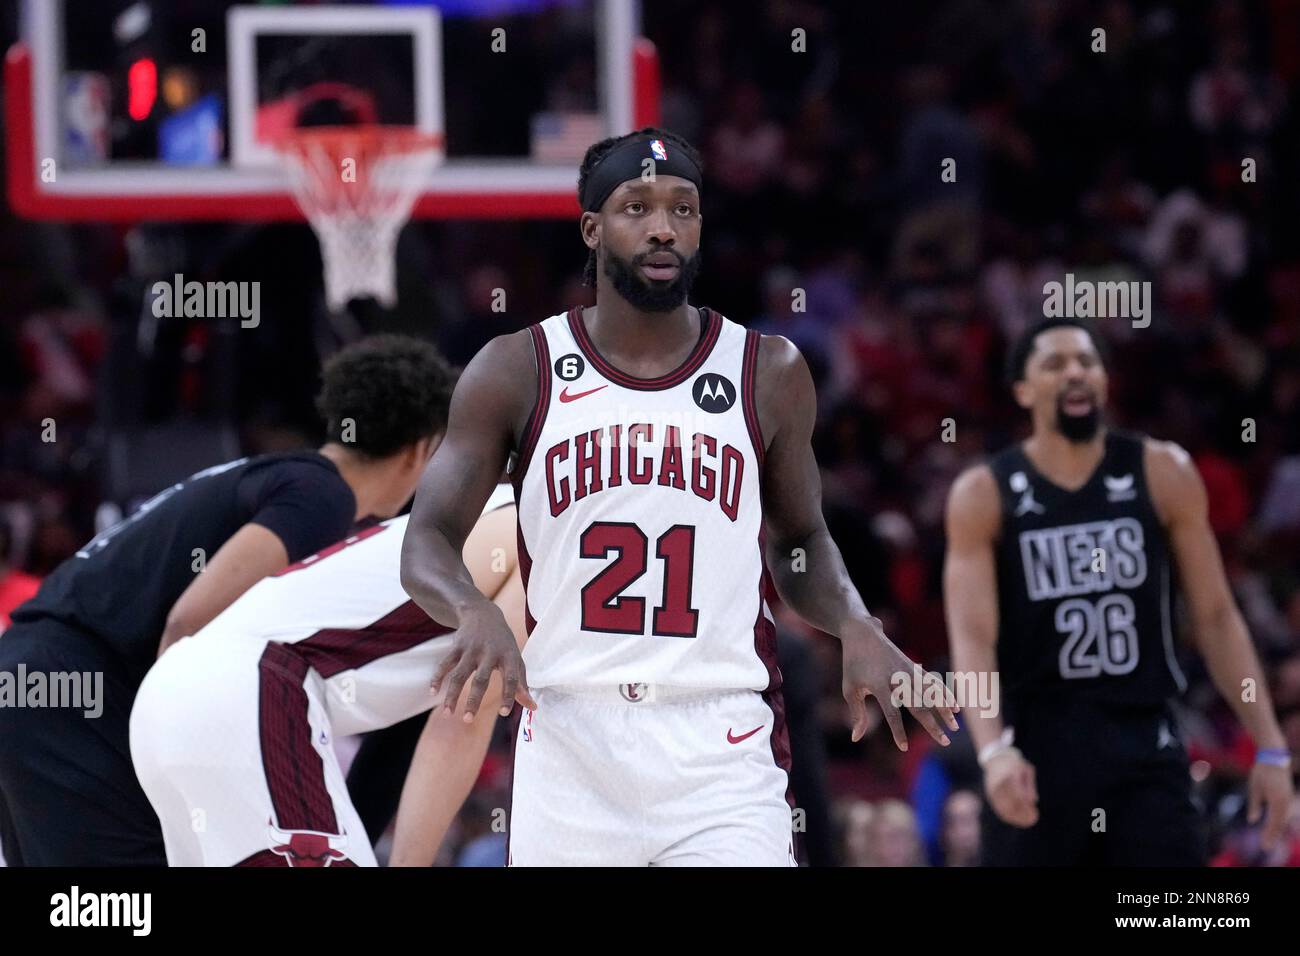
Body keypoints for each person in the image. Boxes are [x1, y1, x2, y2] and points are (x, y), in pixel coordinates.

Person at [399, 127, 958, 866]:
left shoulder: (768, 371)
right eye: (636, 206)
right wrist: (472, 609)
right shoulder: (517, 369)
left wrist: (855, 624)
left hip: (718, 743)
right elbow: (425, 538)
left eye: (683, 209)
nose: (663, 227)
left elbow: (800, 541)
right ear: (592, 228)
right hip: (570, 740)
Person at [0, 335, 455, 866]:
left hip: (35, 674)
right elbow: (187, 624)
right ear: (424, 447)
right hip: (77, 691)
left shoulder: (268, 472)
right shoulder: (321, 494)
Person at [944, 316, 1295, 865]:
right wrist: (992, 750)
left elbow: (1217, 616)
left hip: (1144, 741)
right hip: (1037, 747)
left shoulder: (1162, 471)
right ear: (1023, 390)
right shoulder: (983, 494)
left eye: (1087, 362)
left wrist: (1271, 747)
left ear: (1106, 381)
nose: (1076, 373)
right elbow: (972, 640)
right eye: (1055, 364)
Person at [129, 484, 523, 866]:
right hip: (249, 689)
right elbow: (463, 717)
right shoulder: (541, 540)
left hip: (170, 698)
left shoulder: (477, 507)